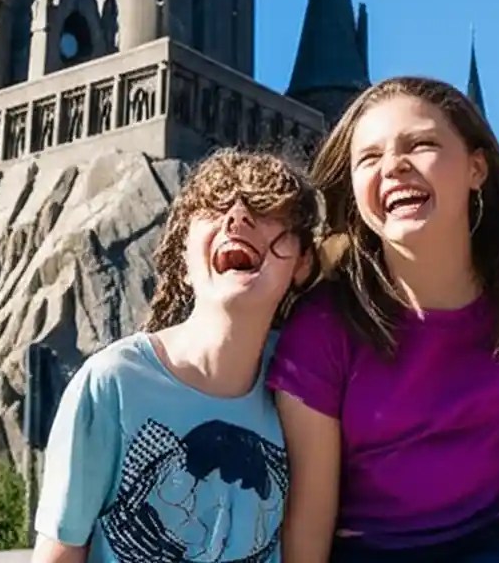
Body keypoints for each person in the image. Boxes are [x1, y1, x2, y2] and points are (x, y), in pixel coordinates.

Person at [269, 76, 499, 562]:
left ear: (476, 168)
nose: (393, 166)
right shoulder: (323, 328)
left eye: (420, 144)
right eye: (369, 157)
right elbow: (309, 520)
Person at [31, 148, 321, 563]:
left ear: (302, 262)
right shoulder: (115, 383)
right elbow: (60, 551)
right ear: (183, 258)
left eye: (265, 208)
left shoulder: (304, 386)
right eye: (215, 208)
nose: (237, 218)